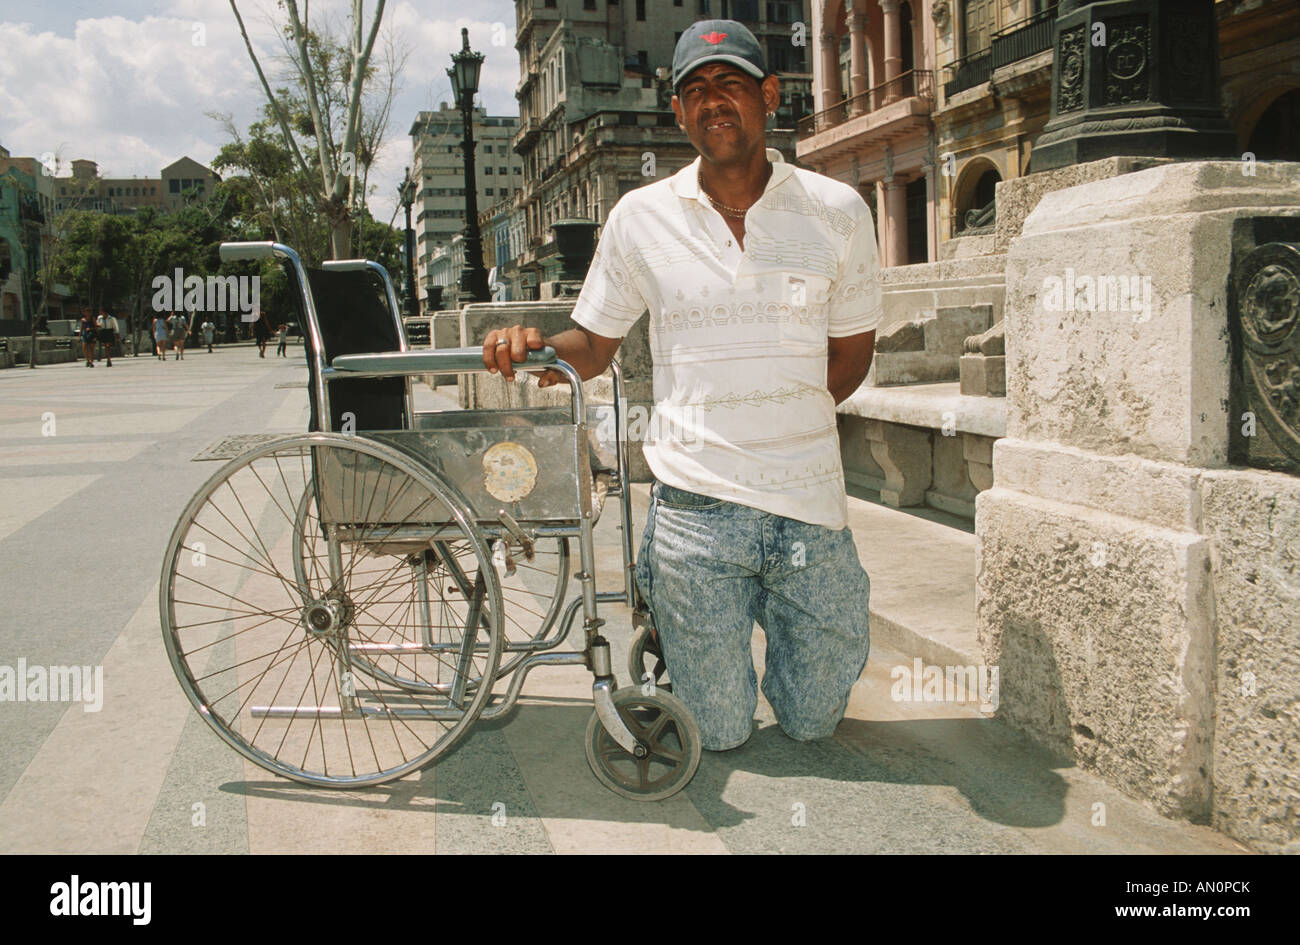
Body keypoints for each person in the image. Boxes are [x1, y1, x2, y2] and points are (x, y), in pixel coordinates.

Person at [483, 20, 881, 753]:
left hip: (809, 508)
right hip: (696, 510)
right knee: (721, 733)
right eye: (694, 90)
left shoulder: (837, 212)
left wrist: (779, 418)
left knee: (812, 718)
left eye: (729, 83)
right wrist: (533, 343)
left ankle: (705, 617)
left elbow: (851, 358)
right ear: (678, 113)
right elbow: (595, 345)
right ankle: (674, 600)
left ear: (768, 95)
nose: (712, 101)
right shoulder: (641, 217)